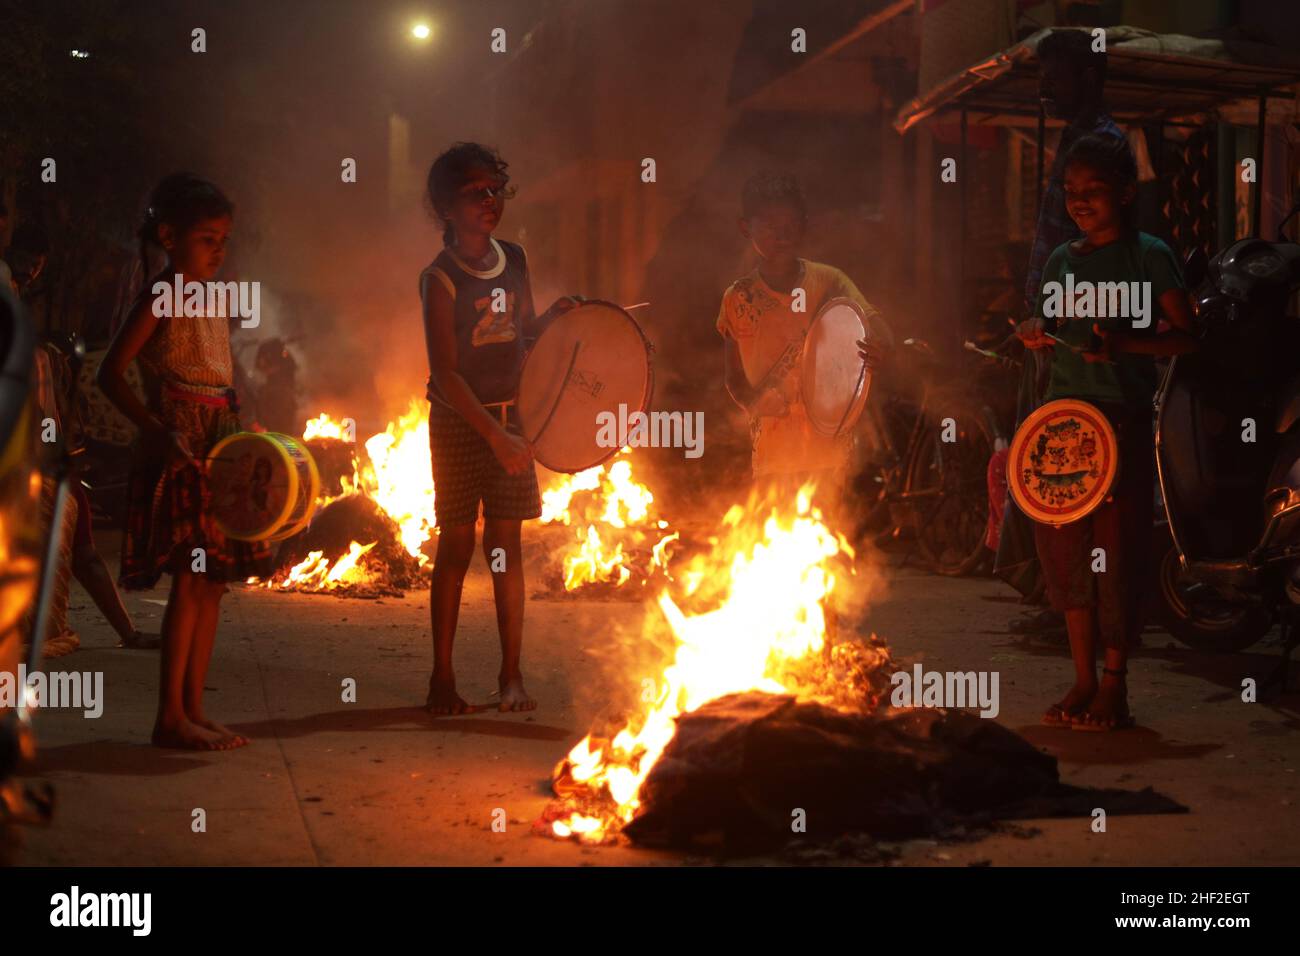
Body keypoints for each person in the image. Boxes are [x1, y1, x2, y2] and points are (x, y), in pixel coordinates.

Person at [1016, 135, 1196, 731]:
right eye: (1070, 191)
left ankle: (1115, 682)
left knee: (1115, 555)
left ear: (1123, 192)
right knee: (1065, 555)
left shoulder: (1149, 256)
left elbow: (1186, 336)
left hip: (1119, 418)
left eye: (1093, 190)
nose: (1080, 202)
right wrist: (1038, 331)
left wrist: (1119, 343)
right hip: (1061, 423)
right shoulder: (1061, 262)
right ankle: (1082, 678)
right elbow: (1057, 326)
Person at [98, 173, 272, 750]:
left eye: (224, 239)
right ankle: (169, 716)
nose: (218, 250)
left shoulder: (214, 298)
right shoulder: (162, 294)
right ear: (170, 236)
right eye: (206, 238)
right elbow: (111, 371)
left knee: (213, 583)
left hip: (219, 444)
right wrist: (156, 429)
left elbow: (221, 375)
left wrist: (244, 423)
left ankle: (193, 708)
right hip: (182, 445)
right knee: (192, 577)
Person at [419, 142, 574, 716]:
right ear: (446, 207)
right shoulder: (439, 278)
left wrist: (553, 320)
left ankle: (511, 675)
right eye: (474, 192)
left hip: (512, 419)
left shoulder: (515, 257)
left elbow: (521, 332)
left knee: (505, 546)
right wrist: (495, 436)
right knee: (457, 545)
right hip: (463, 425)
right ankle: (442, 679)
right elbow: (446, 373)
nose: (489, 201)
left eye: (494, 189)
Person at [997, 27, 1129, 630]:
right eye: (1044, 77)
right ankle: (1057, 597)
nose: (1047, 88)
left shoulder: (1104, 144)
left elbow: (1107, 255)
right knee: (1040, 464)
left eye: (1060, 75)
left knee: (1074, 474)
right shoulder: (1077, 140)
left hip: (1078, 342)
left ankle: (1090, 616)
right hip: (1046, 332)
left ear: (1091, 77)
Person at [716, 170, 893, 502]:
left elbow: (872, 320)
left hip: (831, 450)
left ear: (804, 225)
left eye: (790, 225)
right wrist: (754, 404)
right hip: (773, 456)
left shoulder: (829, 281)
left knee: (830, 542)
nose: (781, 234)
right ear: (745, 227)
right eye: (768, 225)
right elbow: (733, 379)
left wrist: (885, 346)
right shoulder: (738, 298)